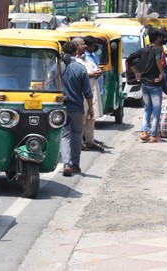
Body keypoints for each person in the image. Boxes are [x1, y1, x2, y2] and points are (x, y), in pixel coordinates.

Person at [59, 42, 94, 177]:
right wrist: (90, 108)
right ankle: (75, 165)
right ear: (76, 52)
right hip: (77, 108)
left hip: (61, 108)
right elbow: (87, 92)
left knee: (65, 135)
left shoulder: (57, 68)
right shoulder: (80, 69)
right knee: (77, 135)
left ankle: (66, 163)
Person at [127, 28, 165, 143]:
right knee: (156, 109)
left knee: (147, 108)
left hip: (144, 83)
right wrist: (161, 73)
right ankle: (153, 135)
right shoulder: (158, 49)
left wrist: (136, 72)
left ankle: (144, 132)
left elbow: (129, 60)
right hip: (155, 83)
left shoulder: (142, 50)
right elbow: (158, 59)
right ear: (158, 38)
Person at [72, 37, 105, 152]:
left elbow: (94, 68)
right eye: (83, 44)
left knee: (91, 118)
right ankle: (79, 142)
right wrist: (91, 74)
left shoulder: (86, 59)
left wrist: (97, 72)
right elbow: (79, 75)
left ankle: (90, 141)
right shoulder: (74, 61)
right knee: (81, 119)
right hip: (81, 95)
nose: (85, 46)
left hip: (92, 91)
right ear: (76, 46)